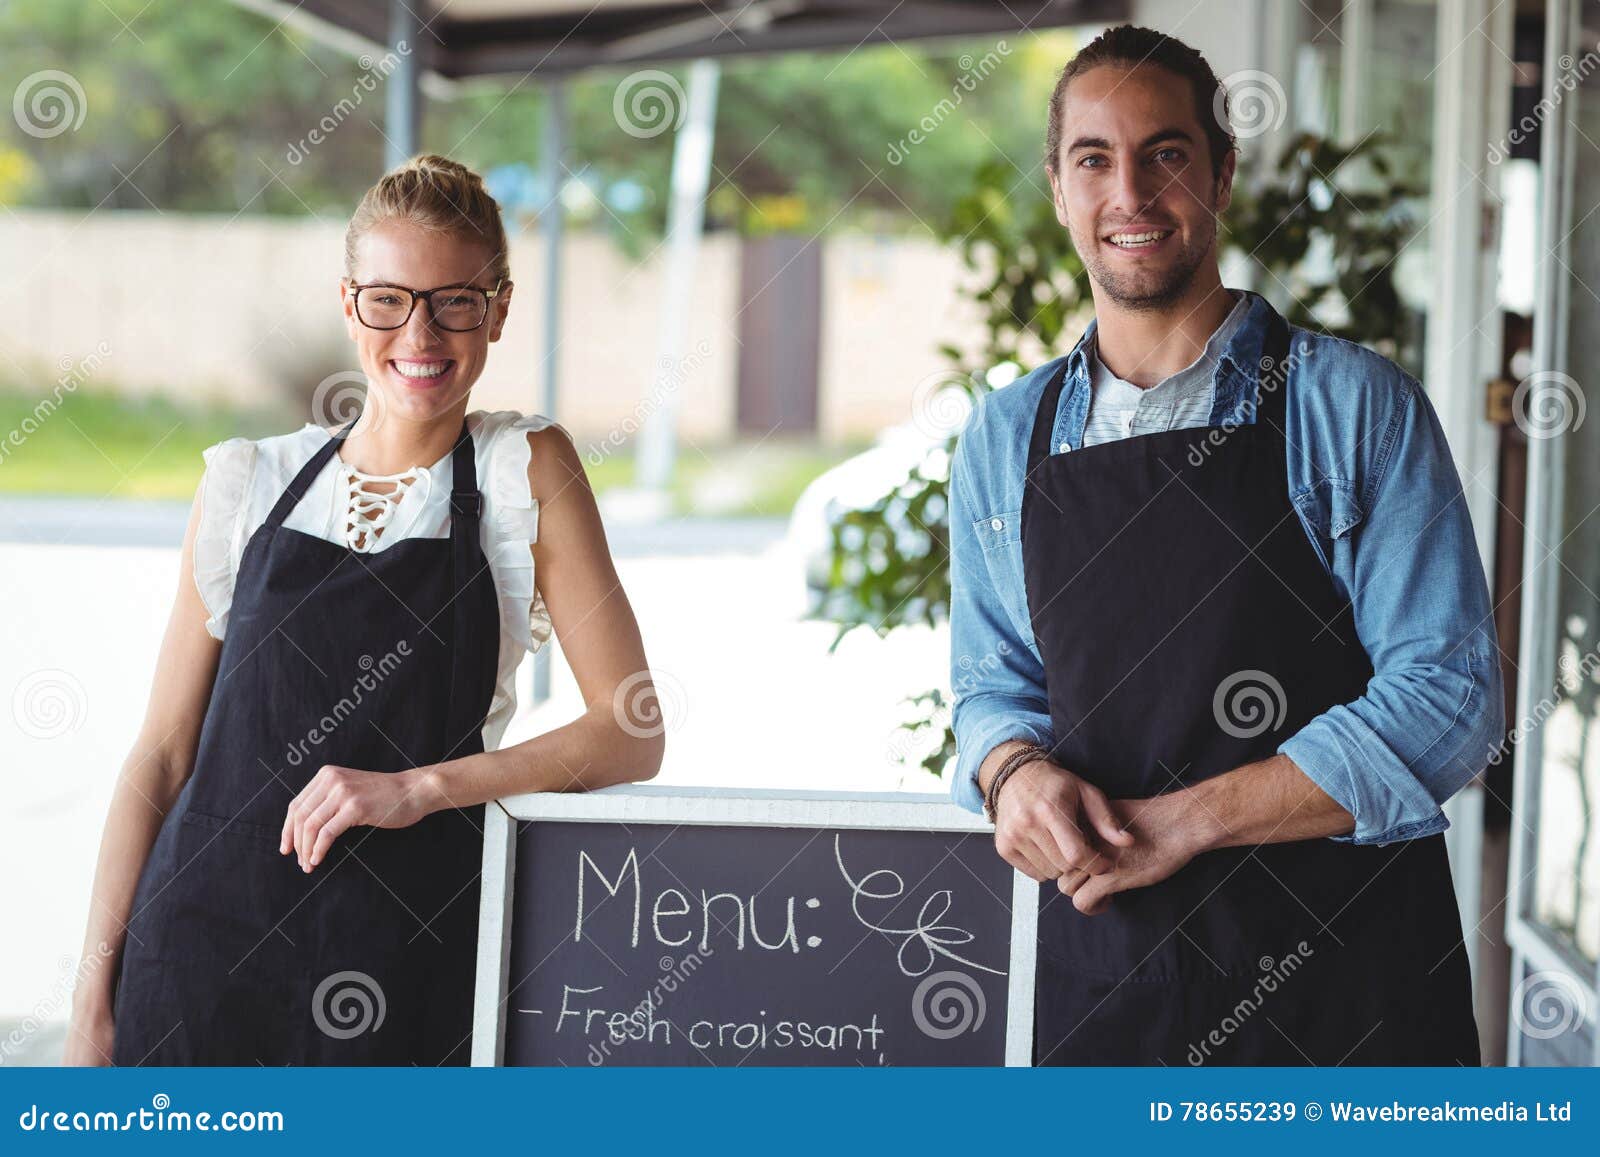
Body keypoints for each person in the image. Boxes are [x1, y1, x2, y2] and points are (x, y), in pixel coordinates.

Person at [947, 26, 1504, 1065]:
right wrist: (1010, 769)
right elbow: (990, 686)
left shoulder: (1352, 406)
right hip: (1106, 983)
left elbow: (1450, 700)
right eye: (1094, 159)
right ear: (1060, 189)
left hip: (1349, 993)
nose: (1131, 193)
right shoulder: (1000, 437)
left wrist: (1182, 822)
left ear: (1221, 174)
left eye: (1164, 153)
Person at [65, 155, 664, 1066]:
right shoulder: (248, 482)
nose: (419, 331)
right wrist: (88, 1013)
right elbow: (162, 753)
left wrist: (419, 786)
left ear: (499, 308)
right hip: (193, 964)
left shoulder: (524, 471)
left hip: (406, 971)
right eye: (389, 299)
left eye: (455, 299)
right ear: (350, 305)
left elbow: (632, 730)